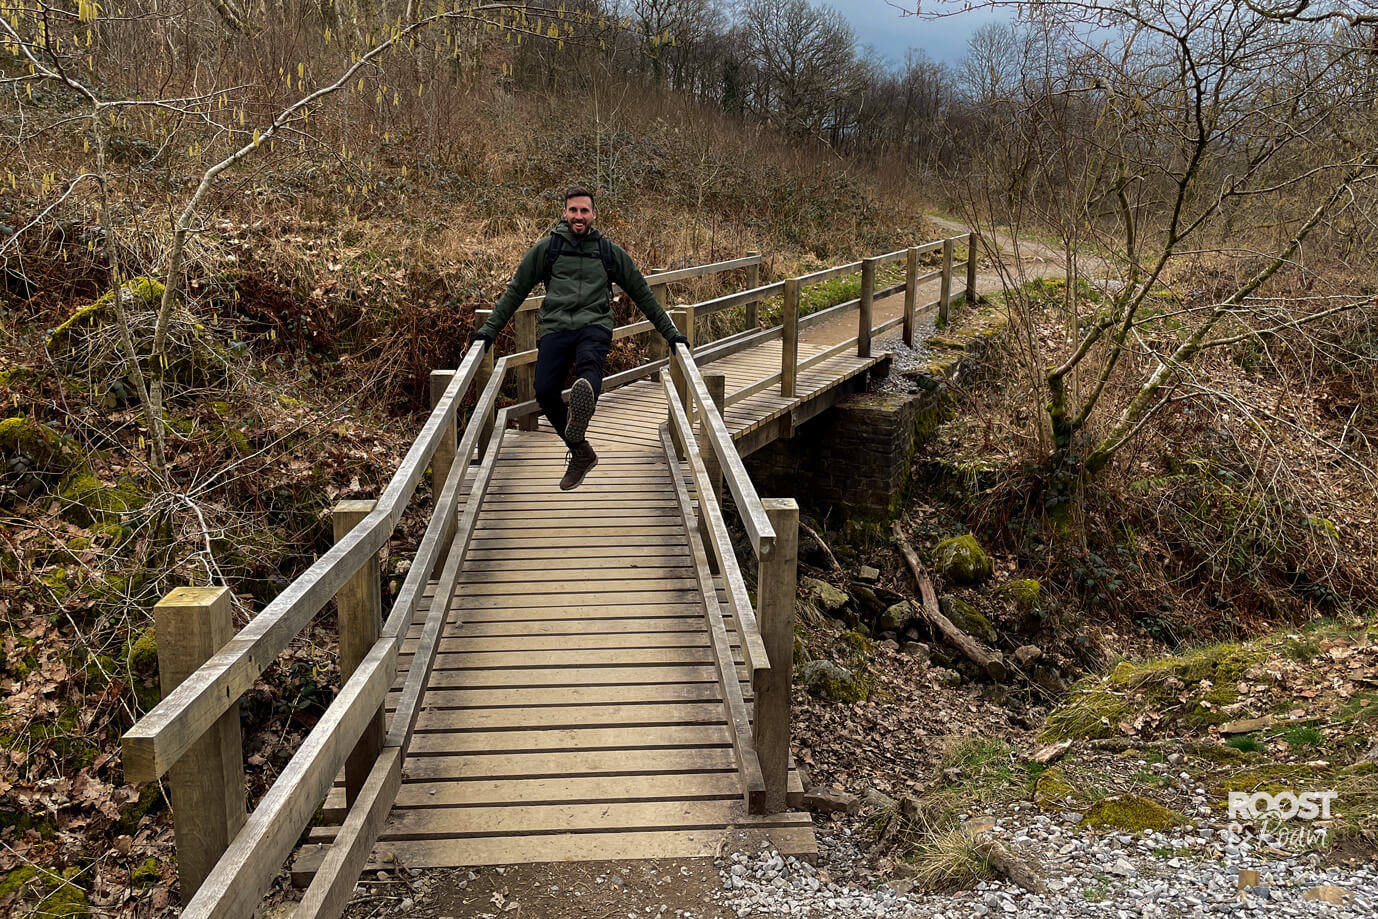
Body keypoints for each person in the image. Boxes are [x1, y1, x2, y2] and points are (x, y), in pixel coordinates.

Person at [471, 186, 688, 489]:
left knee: (589, 367)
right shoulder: (548, 249)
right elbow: (516, 291)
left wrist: (671, 333)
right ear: (564, 213)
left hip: (594, 323)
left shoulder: (607, 251)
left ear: (593, 214)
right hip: (557, 326)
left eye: (584, 211)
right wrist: (488, 332)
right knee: (545, 391)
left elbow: (642, 293)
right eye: (573, 210)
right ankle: (580, 450)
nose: (578, 216)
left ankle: (584, 396)